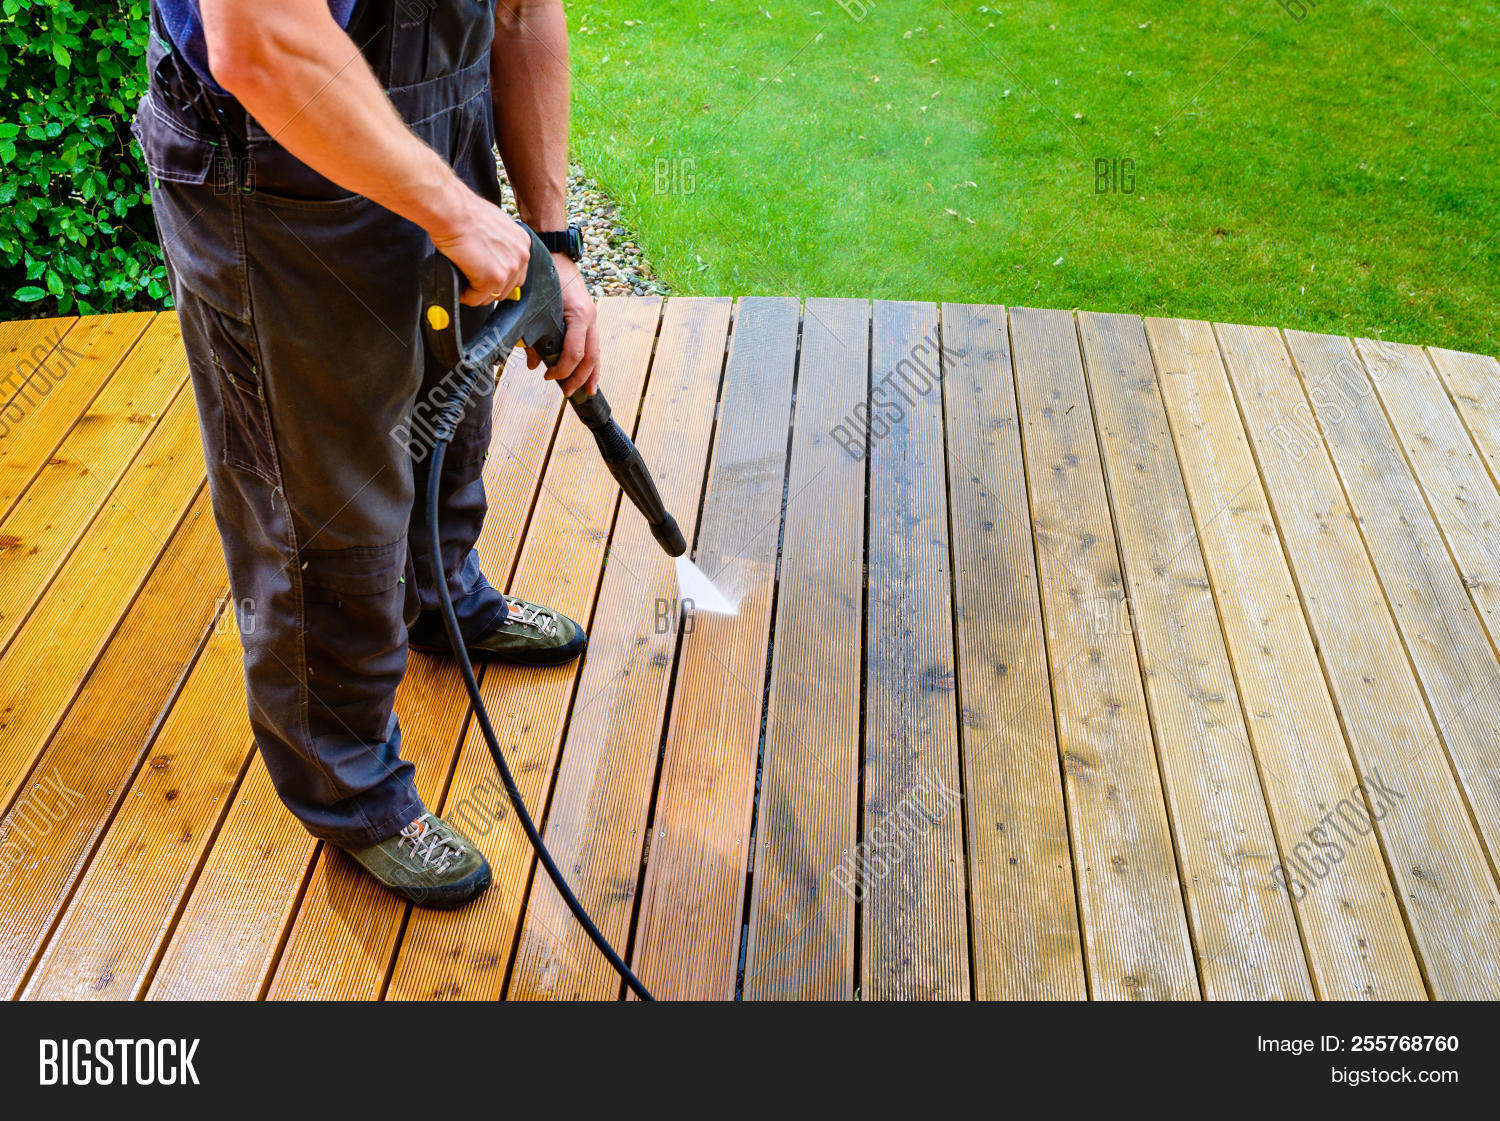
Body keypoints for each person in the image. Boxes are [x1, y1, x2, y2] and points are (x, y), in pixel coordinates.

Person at [132, 0, 598, 908]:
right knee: (323, 489)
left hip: (438, 123)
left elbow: (520, 10)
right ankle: (348, 786)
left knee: (449, 393)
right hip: (276, 159)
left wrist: (552, 246)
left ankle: (441, 595)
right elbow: (263, 45)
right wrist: (455, 213)